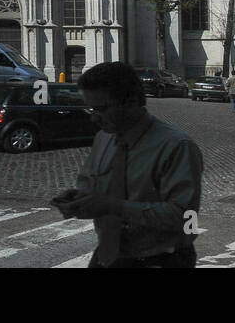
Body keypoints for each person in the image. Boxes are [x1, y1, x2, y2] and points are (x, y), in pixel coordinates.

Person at [51, 61, 203, 268]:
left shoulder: (176, 147)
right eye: (90, 109)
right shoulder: (104, 139)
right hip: (109, 257)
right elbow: (91, 188)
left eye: (101, 109)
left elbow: (185, 217)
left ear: (130, 102)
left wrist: (113, 206)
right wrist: (78, 201)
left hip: (162, 260)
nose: (94, 119)